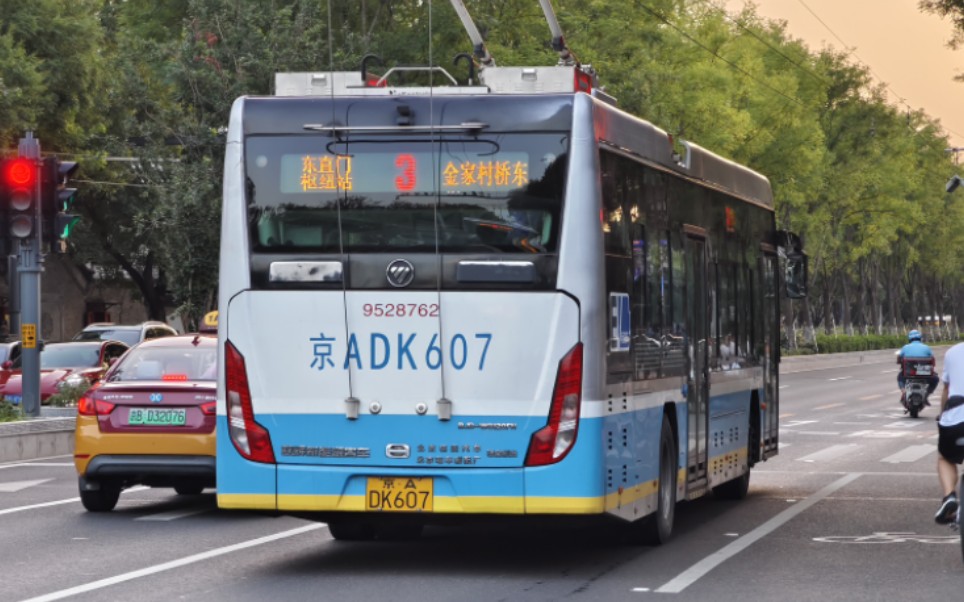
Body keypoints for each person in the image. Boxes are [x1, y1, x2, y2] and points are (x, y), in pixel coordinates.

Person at [934, 340, 964, 523]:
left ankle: (949, 497)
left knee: (945, 458)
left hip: (954, 419)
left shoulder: (952, 352)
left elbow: (946, 389)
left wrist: (942, 414)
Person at [897, 329, 938, 403]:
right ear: (920, 338)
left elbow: (899, 359)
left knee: (900, 377)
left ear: (909, 339)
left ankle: (903, 392)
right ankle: (927, 394)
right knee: (936, 379)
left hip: (908, 374)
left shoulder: (905, 347)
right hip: (925, 373)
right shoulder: (926, 347)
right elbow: (933, 360)